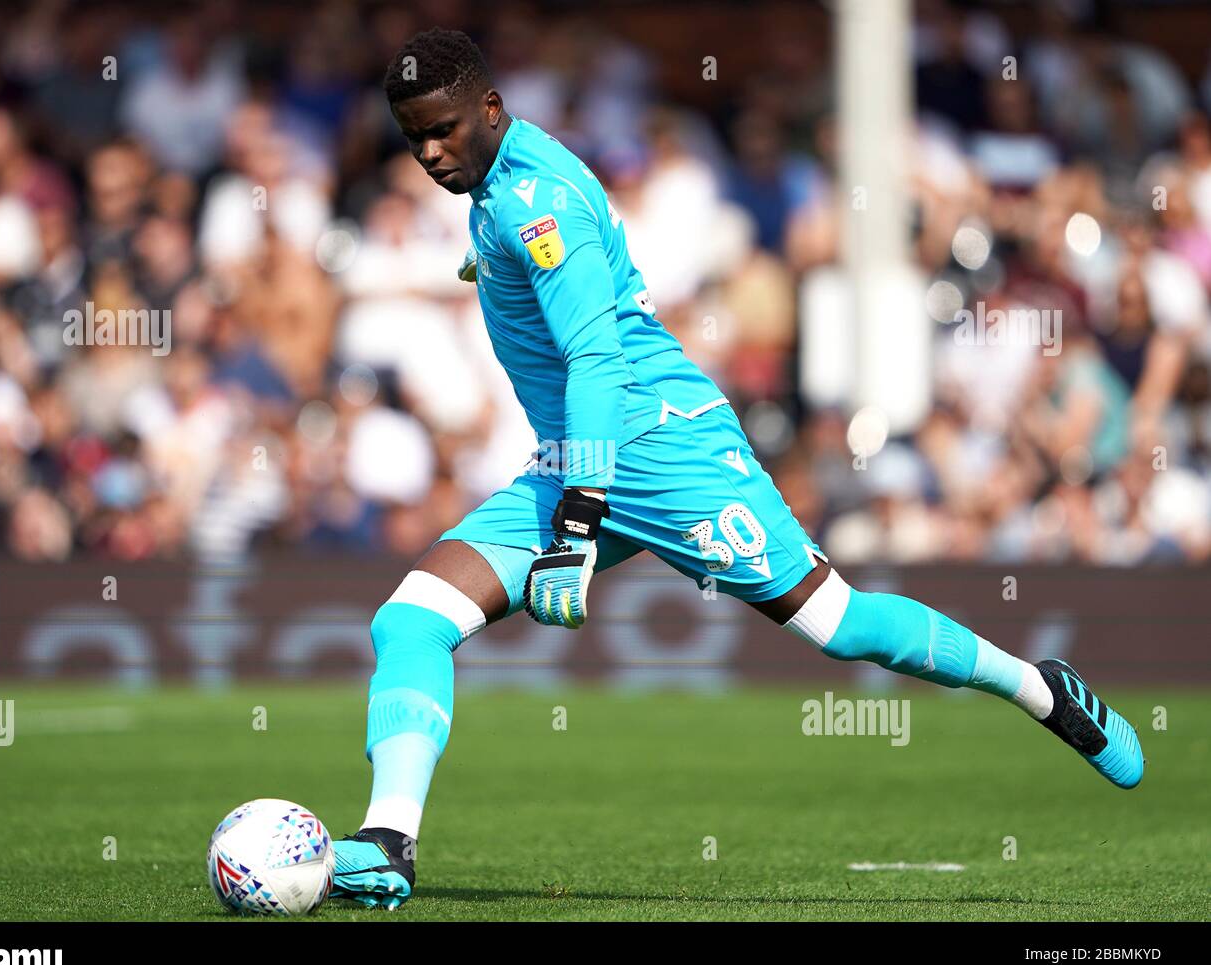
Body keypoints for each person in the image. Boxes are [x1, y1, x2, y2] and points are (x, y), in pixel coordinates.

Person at [329, 28, 1144, 910]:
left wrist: (576, 519)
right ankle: (388, 843)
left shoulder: (536, 203)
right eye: (414, 137)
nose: (429, 151)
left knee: (837, 624)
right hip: (578, 458)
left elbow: (597, 362)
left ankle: (1038, 689)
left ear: (491, 108)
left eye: (444, 129)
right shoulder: (506, 189)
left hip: (668, 453)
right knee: (409, 622)